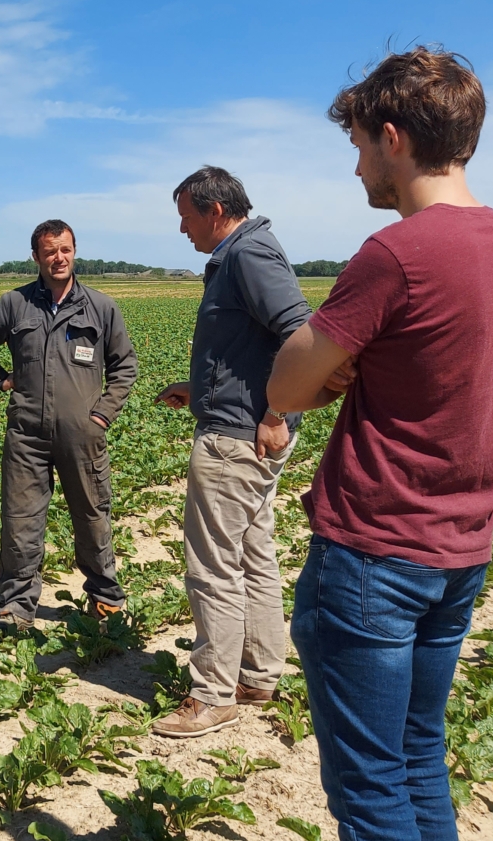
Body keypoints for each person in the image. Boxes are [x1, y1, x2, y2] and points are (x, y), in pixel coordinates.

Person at [267, 46, 493, 840]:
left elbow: (286, 388)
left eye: (357, 145)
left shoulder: (396, 252)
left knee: (370, 787)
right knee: (420, 751)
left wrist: (328, 371)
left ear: (392, 137)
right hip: (461, 550)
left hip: (374, 557)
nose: (356, 168)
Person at [150, 167, 314, 738]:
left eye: (186, 218)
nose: (183, 230)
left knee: (214, 565)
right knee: (251, 552)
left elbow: (301, 332)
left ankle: (213, 693)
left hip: (237, 438)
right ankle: (260, 675)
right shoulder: (245, 254)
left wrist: (273, 414)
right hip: (242, 424)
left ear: (215, 210)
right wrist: (202, 389)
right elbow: (254, 349)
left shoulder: (247, 255)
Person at [0, 220, 136, 633]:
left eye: (65, 249)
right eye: (49, 251)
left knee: (92, 517)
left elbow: (125, 366)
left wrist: (101, 415)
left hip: (83, 436)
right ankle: (17, 608)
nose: (58, 258)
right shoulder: (15, 304)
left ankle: (106, 601)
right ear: (36, 257)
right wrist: (0, 378)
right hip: (27, 434)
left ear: (74, 251)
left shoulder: (100, 308)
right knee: (21, 520)